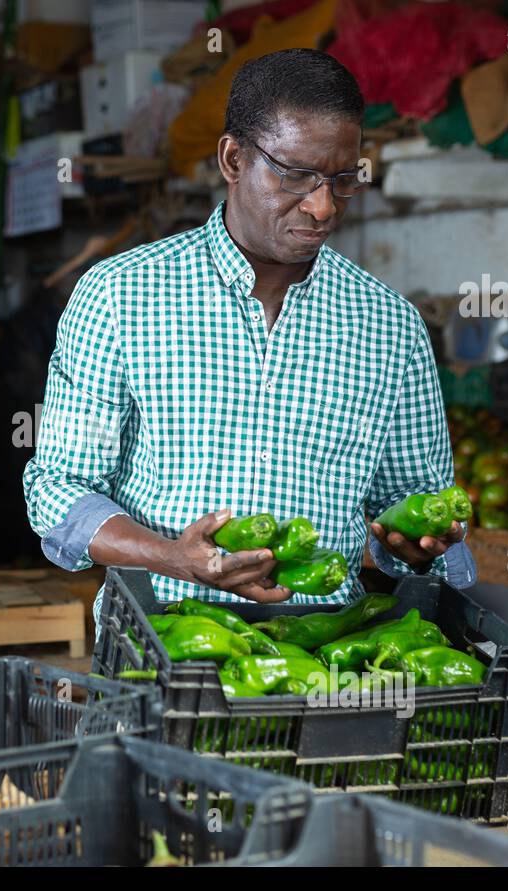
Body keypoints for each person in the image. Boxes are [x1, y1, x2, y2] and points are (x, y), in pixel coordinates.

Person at [23, 49, 474, 623]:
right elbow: (60, 486)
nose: (321, 206)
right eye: (294, 175)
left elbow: (411, 503)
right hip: (163, 642)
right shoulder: (120, 295)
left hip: (321, 655)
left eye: (342, 180)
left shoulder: (392, 327)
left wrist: (415, 544)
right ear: (233, 159)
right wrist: (171, 557)